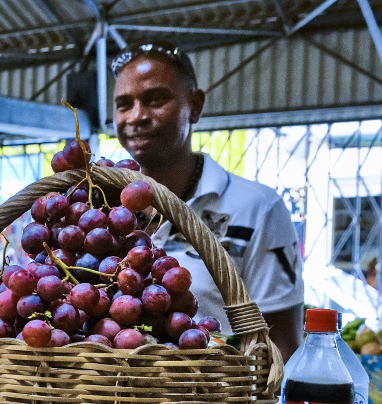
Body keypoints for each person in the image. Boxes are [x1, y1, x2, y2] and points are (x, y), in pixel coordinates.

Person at [113, 43, 303, 359]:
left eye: (155, 99)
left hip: (207, 400)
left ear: (195, 105)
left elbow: (281, 345)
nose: (137, 116)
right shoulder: (102, 209)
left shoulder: (257, 209)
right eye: (123, 104)